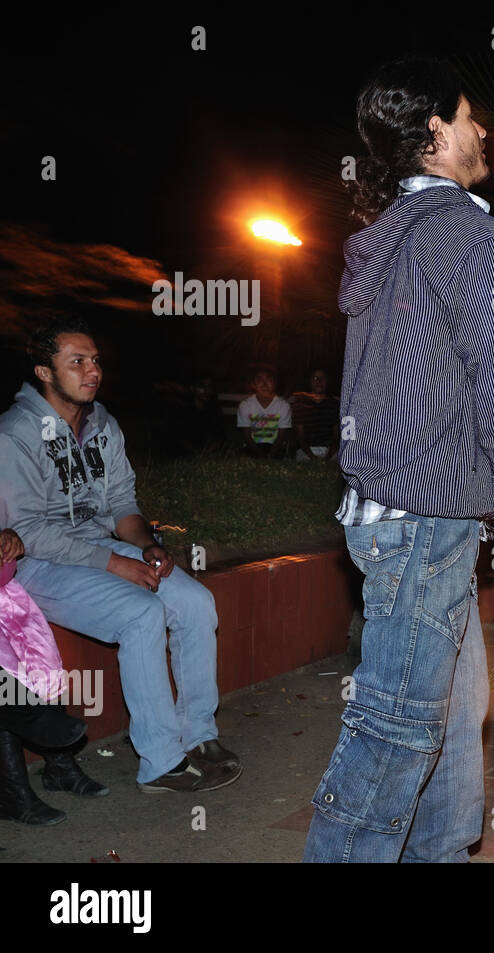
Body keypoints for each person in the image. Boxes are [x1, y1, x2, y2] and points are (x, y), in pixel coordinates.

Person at [302, 55, 494, 864]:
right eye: (471, 117)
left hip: (396, 523)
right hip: (422, 528)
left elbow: (421, 375)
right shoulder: (478, 239)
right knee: (394, 736)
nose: (484, 131)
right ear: (436, 133)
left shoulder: (394, 239)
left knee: (453, 710)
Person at [0, 317, 242, 791]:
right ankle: (160, 762)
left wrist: (147, 546)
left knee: (196, 603)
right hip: (40, 565)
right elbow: (28, 531)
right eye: (77, 362)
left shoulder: (103, 424)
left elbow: (122, 508)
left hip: (99, 546)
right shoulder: (15, 434)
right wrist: (116, 565)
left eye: (95, 361)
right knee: (140, 614)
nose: (92, 371)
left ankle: (198, 734)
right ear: (45, 373)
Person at [0, 519, 109, 826]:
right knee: (7, 675)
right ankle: (13, 793)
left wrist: (9, 540)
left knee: (39, 657)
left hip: (8, 603)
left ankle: (58, 766)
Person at [237, 366, 292, 456]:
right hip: (252, 447)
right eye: (259, 380)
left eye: (269, 379)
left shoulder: (283, 405)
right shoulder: (246, 405)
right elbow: (246, 435)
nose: (264, 384)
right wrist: (259, 454)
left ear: (275, 383)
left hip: (276, 447)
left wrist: (270, 455)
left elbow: (281, 436)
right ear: (253, 384)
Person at [291, 369, 341, 461]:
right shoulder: (300, 404)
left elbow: (336, 436)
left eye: (322, 378)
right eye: (315, 378)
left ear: (327, 381)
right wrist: (312, 457)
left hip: (330, 450)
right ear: (309, 382)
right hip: (306, 450)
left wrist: (328, 457)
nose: (319, 381)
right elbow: (300, 437)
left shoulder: (334, 404)